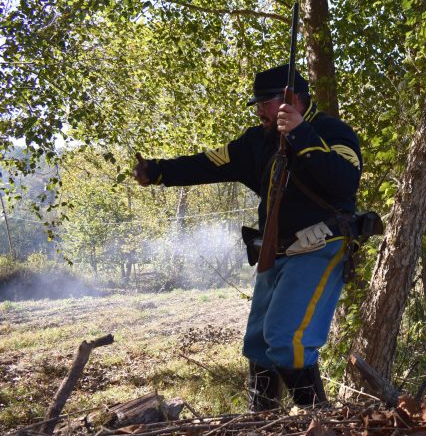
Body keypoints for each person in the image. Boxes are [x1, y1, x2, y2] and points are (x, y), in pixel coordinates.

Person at [133, 65, 362, 410]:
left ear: (293, 100)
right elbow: (208, 164)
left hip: (320, 247)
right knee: (258, 343)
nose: (259, 111)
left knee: (287, 340)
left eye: (265, 103)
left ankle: (318, 422)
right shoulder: (259, 140)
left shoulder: (332, 131)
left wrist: (301, 134)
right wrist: (159, 171)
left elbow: (343, 182)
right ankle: (262, 425)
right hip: (274, 251)